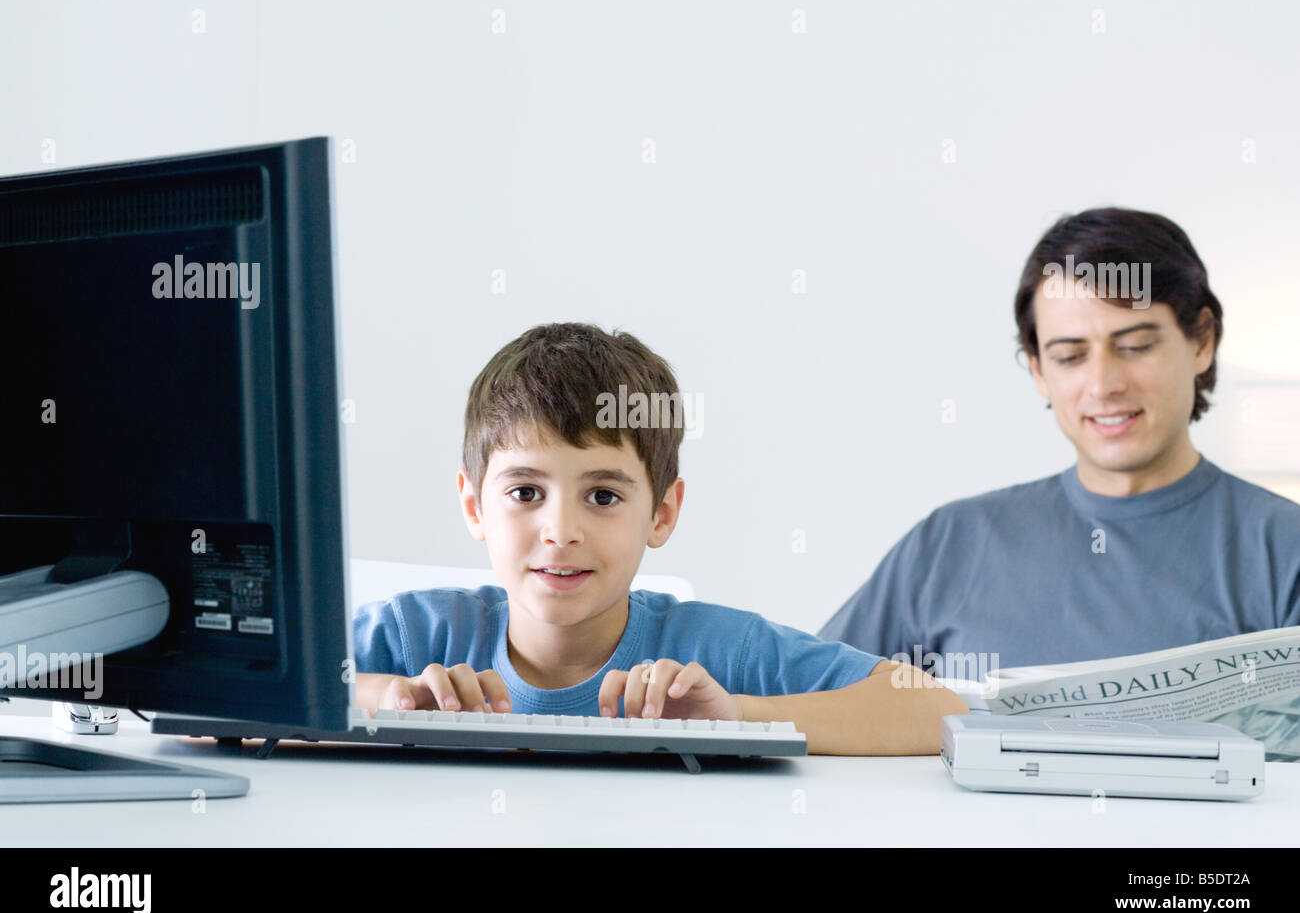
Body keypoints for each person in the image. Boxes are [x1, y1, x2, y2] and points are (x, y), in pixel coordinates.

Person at [353, 323, 967, 754]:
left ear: (662, 513)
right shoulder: (414, 637)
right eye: (525, 493)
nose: (561, 532)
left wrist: (738, 717)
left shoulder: (717, 655)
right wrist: (380, 697)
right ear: (473, 505)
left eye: (603, 496)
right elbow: (256, 681)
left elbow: (936, 708)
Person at [821, 207, 1300, 674]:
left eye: (1134, 346)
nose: (1103, 384)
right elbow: (808, 699)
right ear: (1038, 370)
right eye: (1070, 356)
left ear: (1201, 342)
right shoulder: (949, 544)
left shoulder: (1283, 549)